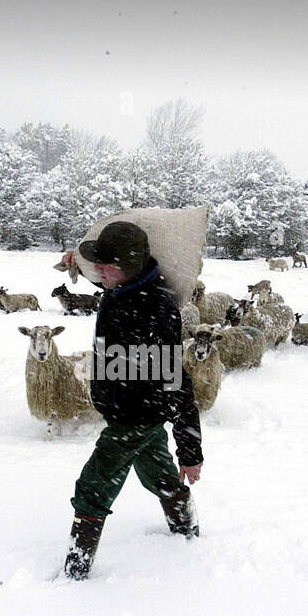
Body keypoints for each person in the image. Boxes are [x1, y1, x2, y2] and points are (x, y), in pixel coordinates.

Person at [60, 221, 203, 580]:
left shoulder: (157, 309)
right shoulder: (120, 287)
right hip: (127, 413)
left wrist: (190, 451)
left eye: (106, 266)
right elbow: (104, 276)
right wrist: (77, 260)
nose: (100, 272)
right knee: (159, 474)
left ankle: (75, 572)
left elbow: (176, 379)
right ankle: (186, 531)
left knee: (93, 485)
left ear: (127, 266)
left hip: (136, 416)